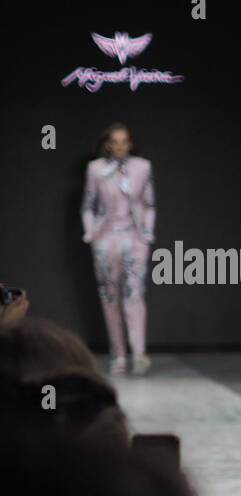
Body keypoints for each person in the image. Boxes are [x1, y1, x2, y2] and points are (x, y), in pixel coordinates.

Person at [81, 122, 155, 376]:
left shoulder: (142, 167)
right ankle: (119, 355)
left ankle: (139, 351)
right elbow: (88, 204)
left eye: (125, 141)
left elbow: (149, 203)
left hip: (134, 238)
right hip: (106, 239)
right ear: (108, 144)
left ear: (131, 143)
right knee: (110, 296)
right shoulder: (96, 170)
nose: (120, 146)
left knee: (134, 293)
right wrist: (90, 232)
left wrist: (147, 233)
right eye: (116, 141)